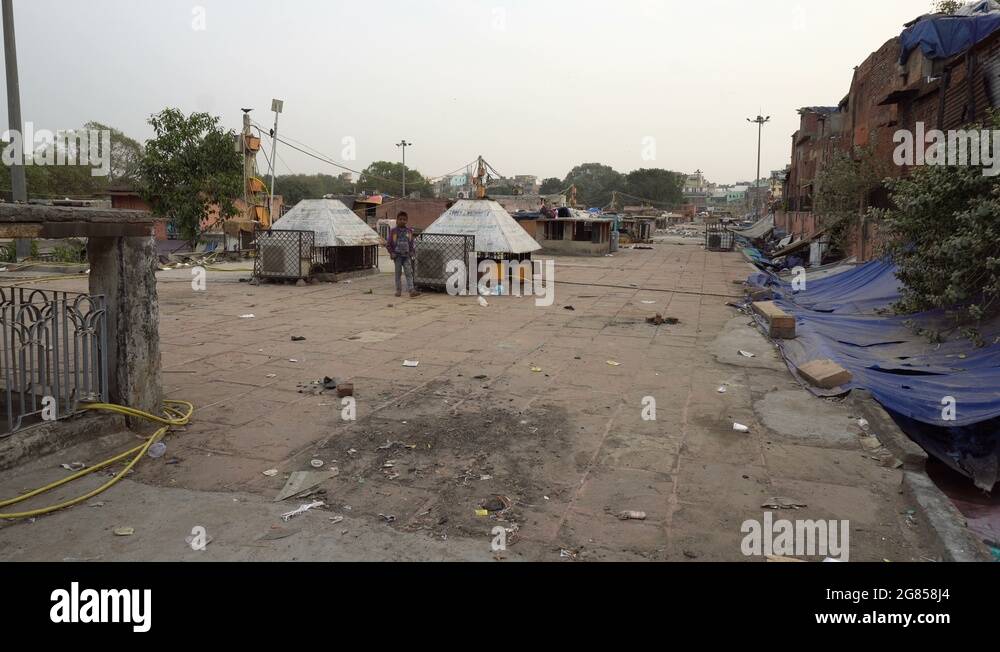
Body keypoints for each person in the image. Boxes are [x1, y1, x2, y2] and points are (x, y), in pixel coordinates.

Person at [386, 211, 420, 298]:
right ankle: (398, 290)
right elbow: (388, 244)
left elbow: (411, 243)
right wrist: (392, 252)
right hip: (397, 256)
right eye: (400, 219)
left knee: (409, 273)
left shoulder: (409, 231)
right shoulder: (393, 231)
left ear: (407, 221)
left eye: (404, 219)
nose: (402, 221)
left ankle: (411, 290)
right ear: (397, 220)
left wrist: (412, 252)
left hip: (407, 256)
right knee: (398, 274)